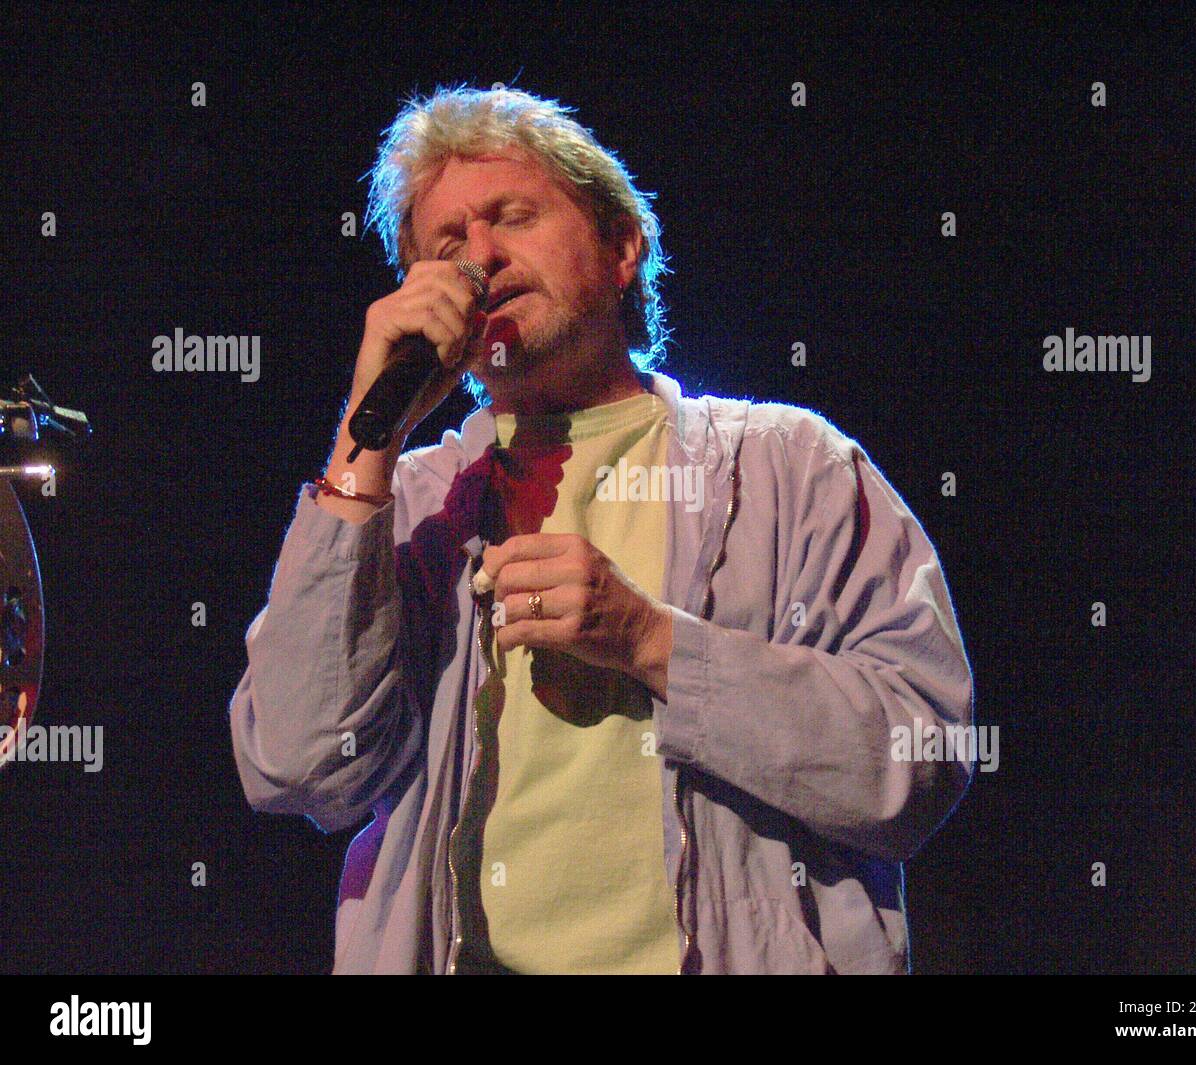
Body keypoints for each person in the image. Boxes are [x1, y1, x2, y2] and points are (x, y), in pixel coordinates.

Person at [229, 86, 975, 974]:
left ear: (623, 248)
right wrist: (367, 430)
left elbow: (921, 756)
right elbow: (297, 765)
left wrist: (652, 641)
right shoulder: (413, 503)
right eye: (444, 245)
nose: (481, 261)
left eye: (513, 216)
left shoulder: (793, 468)